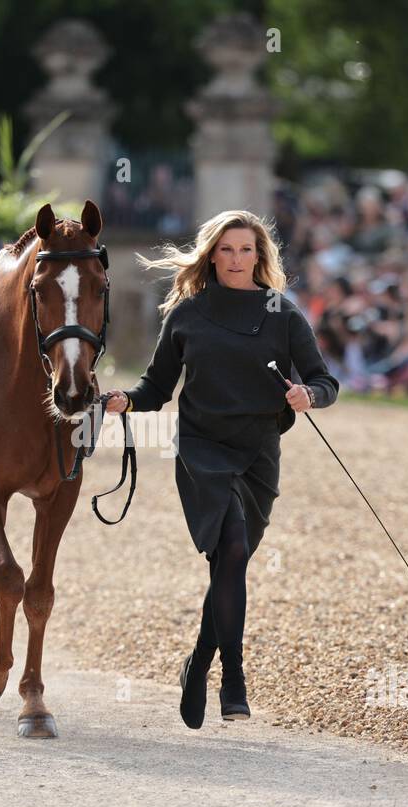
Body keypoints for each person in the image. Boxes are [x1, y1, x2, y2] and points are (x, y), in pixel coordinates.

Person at [101, 210, 340, 729]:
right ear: (211, 254)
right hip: (202, 448)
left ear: (261, 256)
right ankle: (234, 678)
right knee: (230, 548)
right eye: (227, 250)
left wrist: (308, 395)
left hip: (258, 451)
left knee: (231, 565)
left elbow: (325, 380)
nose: (236, 259)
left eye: (247, 250)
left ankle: (199, 662)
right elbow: (157, 388)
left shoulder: (282, 311)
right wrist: (124, 401)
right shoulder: (188, 312)